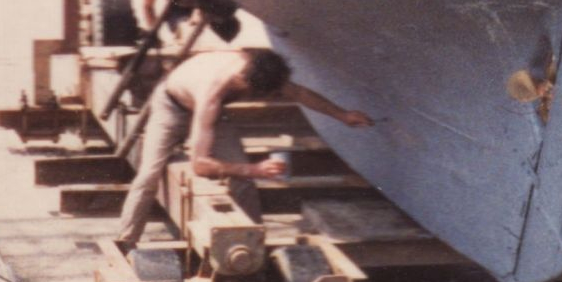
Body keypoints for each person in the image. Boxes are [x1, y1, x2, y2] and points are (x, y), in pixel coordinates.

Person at [116, 48, 372, 250]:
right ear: (244, 81)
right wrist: (253, 168)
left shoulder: (258, 66)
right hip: (171, 108)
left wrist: (342, 114)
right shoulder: (213, 92)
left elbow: (299, 93)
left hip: (211, 115)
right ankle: (126, 242)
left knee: (244, 181)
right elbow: (200, 165)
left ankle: (253, 244)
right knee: (149, 175)